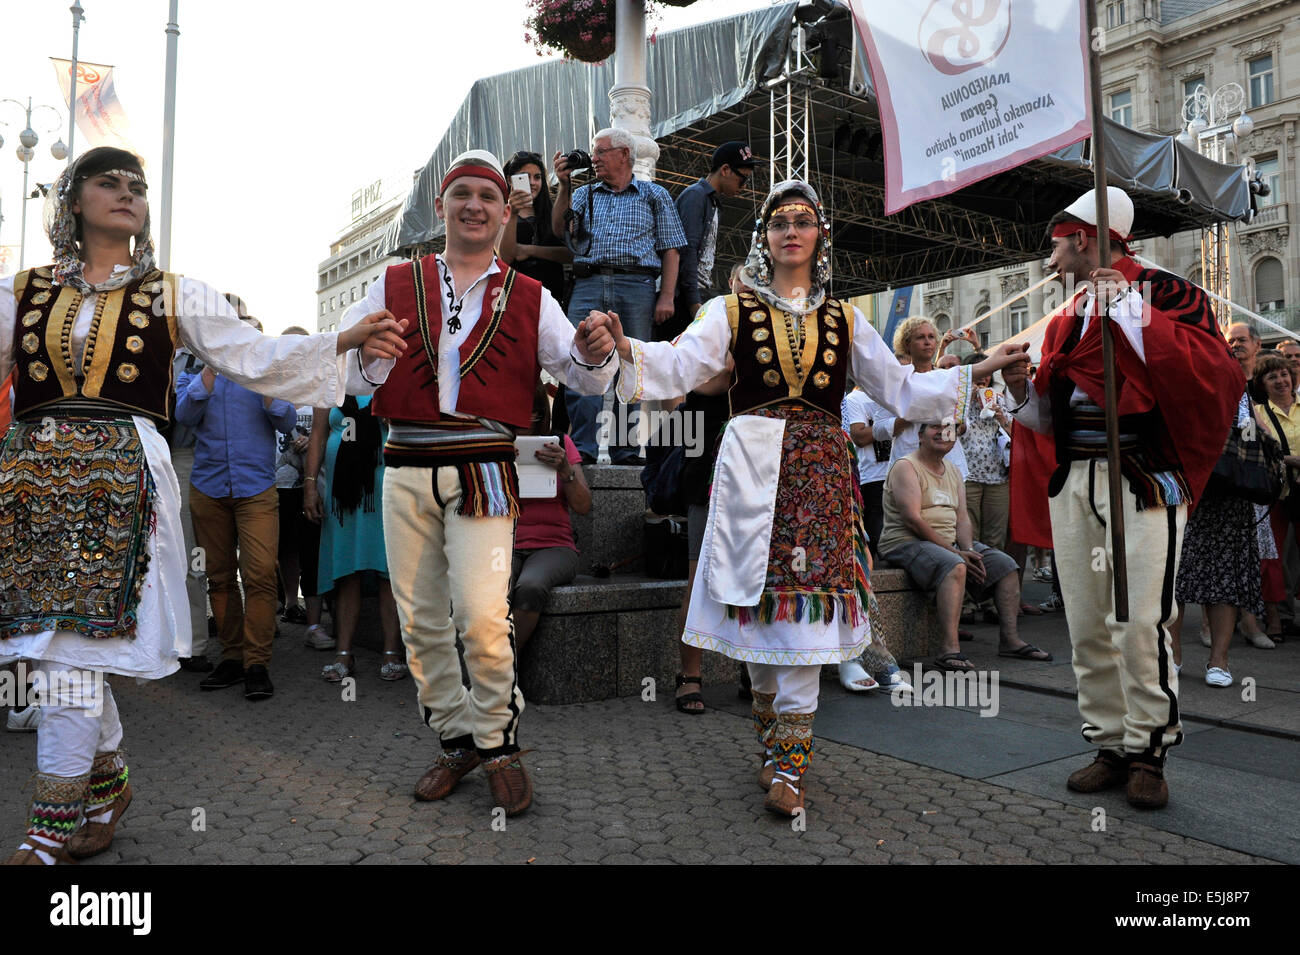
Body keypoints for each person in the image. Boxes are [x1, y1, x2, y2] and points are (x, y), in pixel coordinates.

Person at [0, 146, 405, 865]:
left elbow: (253, 355)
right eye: (107, 182)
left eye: (137, 185)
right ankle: (108, 785)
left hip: (118, 481)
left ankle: (50, 826)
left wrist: (341, 339)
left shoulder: (174, 294)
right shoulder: (20, 291)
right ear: (72, 201)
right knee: (60, 648)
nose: (127, 193)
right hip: (32, 485)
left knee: (70, 652)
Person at [595, 179, 1029, 817]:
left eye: (803, 219)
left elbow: (903, 391)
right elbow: (677, 365)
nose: (791, 229)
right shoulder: (730, 311)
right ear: (764, 238)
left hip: (821, 476)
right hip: (750, 471)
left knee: (805, 607)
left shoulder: (845, 319)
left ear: (820, 235)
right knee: (761, 606)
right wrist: (623, 345)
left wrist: (981, 369)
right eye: (778, 221)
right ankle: (774, 747)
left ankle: (793, 766)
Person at [351, 149, 617, 818]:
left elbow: (583, 375)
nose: (474, 205)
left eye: (487, 197)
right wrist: (365, 358)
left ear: (506, 213)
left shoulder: (531, 295)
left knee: (481, 616)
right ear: (441, 205)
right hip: (404, 463)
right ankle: (457, 738)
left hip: (484, 467)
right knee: (420, 621)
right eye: (461, 193)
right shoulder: (390, 283)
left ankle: (498, 744)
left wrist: (595, 352)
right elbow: (351, 381)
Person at [1004, 186, 1242, 810]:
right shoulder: (1065, 314)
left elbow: (1214, 378)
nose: (1049, 252)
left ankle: (1149, 750)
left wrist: (1133, 311)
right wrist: (1018, 389)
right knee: (1085, 623)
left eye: (1056, 238)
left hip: (1140, 476)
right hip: (1076, 478)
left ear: (1081, 236)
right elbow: (1053, 416)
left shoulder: (1168, 294)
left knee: (1139, 621)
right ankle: (1109, 743)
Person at [176, 301, 299, 702]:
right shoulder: (198, 369)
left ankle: (257, 663)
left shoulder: (266, 371)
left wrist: (264, 385)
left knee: (261, 573)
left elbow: (285, 421)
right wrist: (212, 370)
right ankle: (231, 657)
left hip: (256, 490)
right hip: (209, 488)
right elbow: (184, 415)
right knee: (219, 576)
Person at [552, 128, 686, 463]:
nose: (593, 158)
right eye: (594, 153)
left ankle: (625, 449)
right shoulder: (584, 195)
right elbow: (559, 231)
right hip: (589, 282)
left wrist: (666, 296)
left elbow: (672, 249)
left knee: (631, 365)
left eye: (600, 152)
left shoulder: (655, 195)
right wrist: (565, 186)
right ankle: (582, 447)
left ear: (624, 155)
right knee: (582, 360)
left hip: (636, 285)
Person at [878, 422, 1051, 672]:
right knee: (956, 566)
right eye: (934, 428)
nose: (942, 433)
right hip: (905, 542)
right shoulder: (906, 466)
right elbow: (912, 520)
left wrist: (969, 549)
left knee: (1006, 566)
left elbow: (962, 518)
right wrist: (957, 554)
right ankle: (949, 650)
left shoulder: (953, 470)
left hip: (950, 543)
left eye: (948, 429)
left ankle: (1010, 640)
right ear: (920, 436)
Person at [303, 395, 404, 682]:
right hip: (342, 495)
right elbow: (319, 434)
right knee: (347, 570)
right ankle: (344, 653)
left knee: (389, 571)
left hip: (386, 489)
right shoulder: (334, 376)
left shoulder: (390, 374)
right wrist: (310, 485)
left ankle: (391, 653)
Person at [510, 384, 590, 651]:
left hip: (554, 545)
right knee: (491, 590)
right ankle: (491, 669)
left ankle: (505, 668)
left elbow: (583, 505)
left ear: (539, 414)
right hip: (504, 540)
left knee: (530, 587)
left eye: (529, 415)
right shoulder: (495, 444)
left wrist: (565, 468)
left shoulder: (559, 442)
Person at [666, 141, 758, 341]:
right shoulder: (695, 196)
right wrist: (693, 303)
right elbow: (687, 251)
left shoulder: (712, 202)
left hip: (698, 292)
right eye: (743, 180)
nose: (743, 187)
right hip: (685, 298)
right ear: (725, 170)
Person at [166, 343, 212, 672]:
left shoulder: (199, 356)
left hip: (187, 460)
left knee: (191, 557)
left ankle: (192, 645)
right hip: (142, 458)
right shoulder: (148, 351)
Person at [498, 151, 570, 305]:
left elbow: (572, 254)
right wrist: (513, 213)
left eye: (537, 177)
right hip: (515, 295)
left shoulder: (553, 210)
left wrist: (528, 250)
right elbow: (505, 257)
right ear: (511, 180)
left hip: (551, 295)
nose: (532, 182)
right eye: (524, 177)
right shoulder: (500, 212)